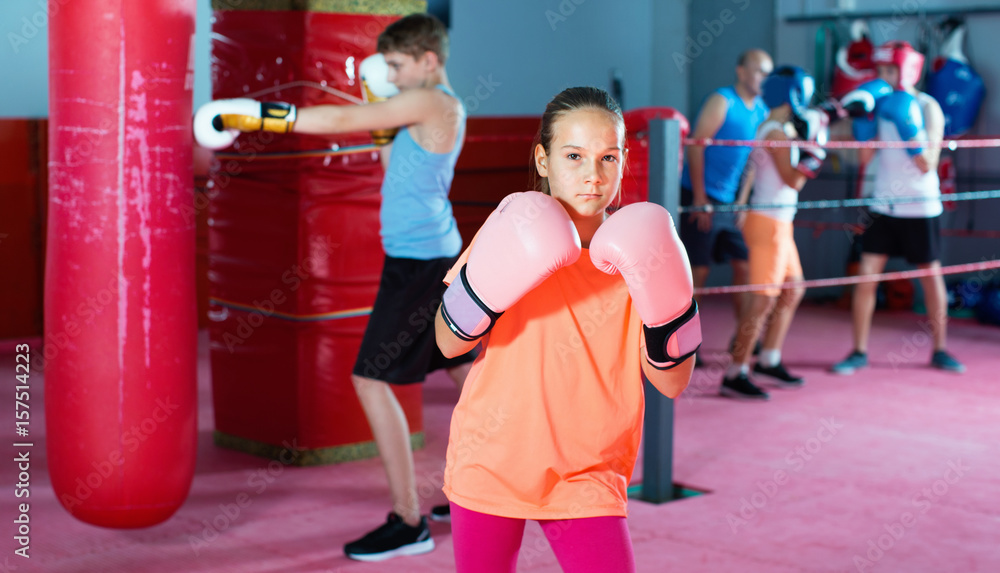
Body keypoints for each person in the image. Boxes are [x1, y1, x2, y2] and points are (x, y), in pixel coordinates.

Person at [194, 13, 476, 561]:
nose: (389, 74)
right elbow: (391, 160)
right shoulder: (419, 108)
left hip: (422, 266)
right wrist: (379, 119)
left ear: (429, 60)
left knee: (372, 380)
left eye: (397, 65)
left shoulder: (436, 102)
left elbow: (340, 119)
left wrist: (259, 116)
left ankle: (407, 520)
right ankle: (478, 493)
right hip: (426, 258)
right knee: (467, 373)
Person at [433, 87, 699, 572]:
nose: (592, 176)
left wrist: (669, 303)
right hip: (492, 455)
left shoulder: (642, 251)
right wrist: (486, 290)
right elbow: (448, 343)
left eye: (607, 158)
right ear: (543, 158)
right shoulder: (511, 229)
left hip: (588, 469)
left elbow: (672, 381)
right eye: (573, 156)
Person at [831, 41, 965, 375]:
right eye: (882, 71)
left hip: (920, 205)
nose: (886, 77)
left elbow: (927, 163)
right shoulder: (878, 104)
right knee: (866, 279)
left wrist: (908, 126)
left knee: (931, 279)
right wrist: (864, 126)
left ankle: (940, 349)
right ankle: (859, 350)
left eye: (892, 70)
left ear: (908, 71)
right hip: (883, 204)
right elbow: (864, 159)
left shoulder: (927, 106)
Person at [723, 66, 826, 400]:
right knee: (763, 299)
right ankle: (734, 372)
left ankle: (768, 358)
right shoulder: (777, 133)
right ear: (795, 94)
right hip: (768, 222)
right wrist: (818, 147)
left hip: (779, 221)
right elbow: (794, 179)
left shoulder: (778, 128)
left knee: (793, 289)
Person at [681, 49, 773, 362]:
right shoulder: (722, 100)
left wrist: (743, 203)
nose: (764, 78)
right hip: (701, 196)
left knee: (745, 268)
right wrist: (699, 199)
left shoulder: (762, 111)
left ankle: (743, 340)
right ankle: (687, 345)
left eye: (768, 72)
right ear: (741, 71)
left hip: (731, 204)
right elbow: (695, 145)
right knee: (699, 274)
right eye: (759, 70)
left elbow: (753, 162)